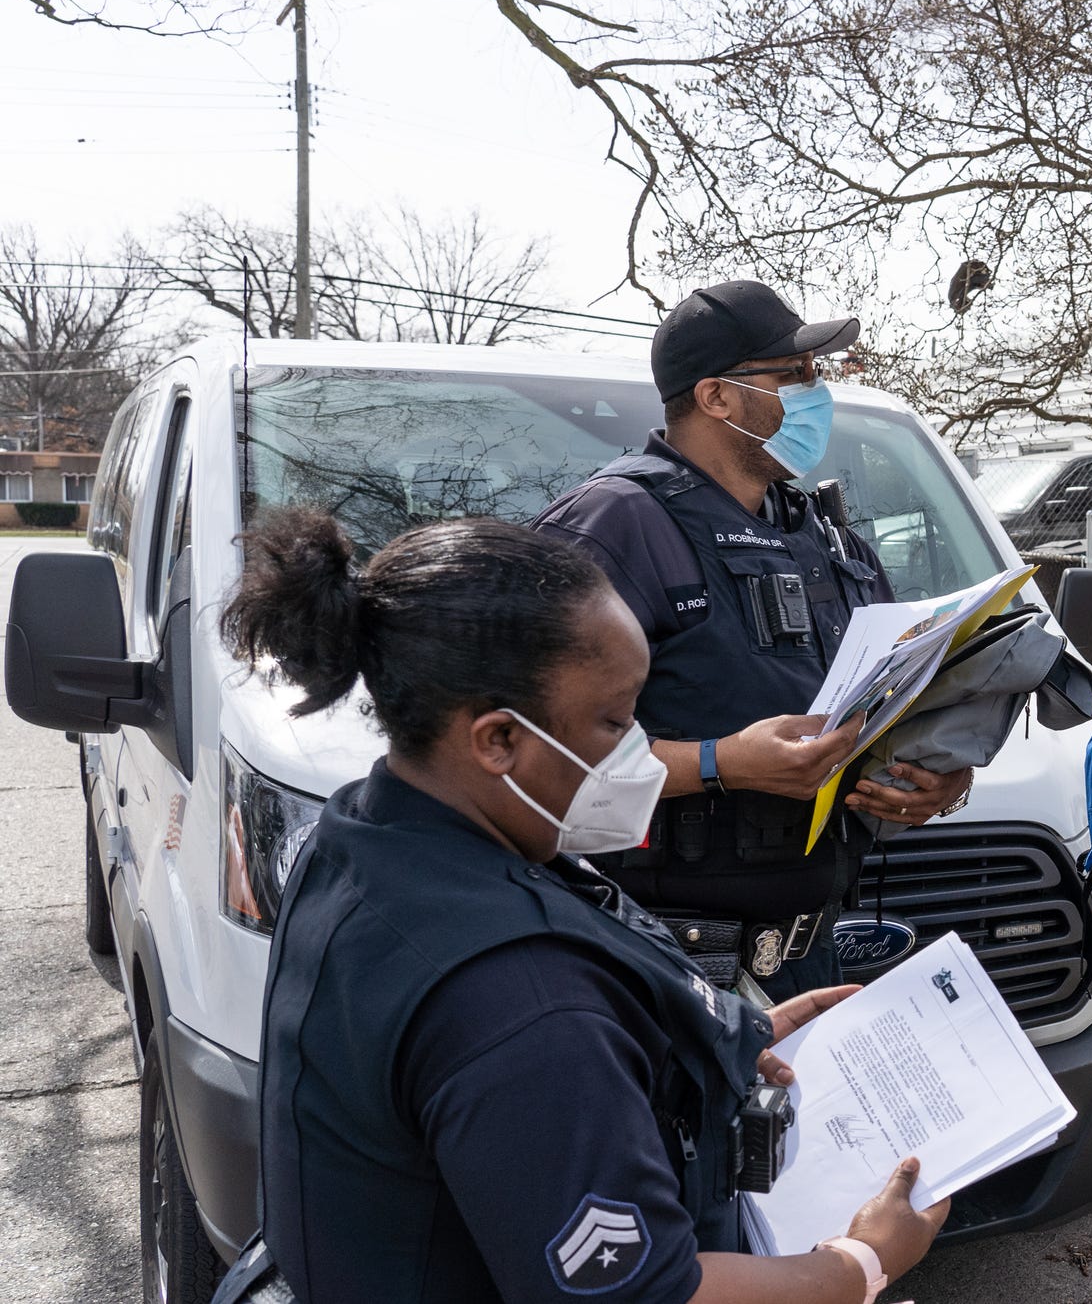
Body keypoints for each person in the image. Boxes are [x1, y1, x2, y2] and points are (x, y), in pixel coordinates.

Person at [217, 510, 946, 1303]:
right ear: (497, 739)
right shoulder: (517, 1004)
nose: (638, 746)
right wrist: (859, 1264)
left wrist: (719, 1045)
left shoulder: (369, 831)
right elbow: (643, 1295)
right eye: (613, 719)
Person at [534, 281, 972, 1001]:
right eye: (793, 374)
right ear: (716, 398)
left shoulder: (826, 537)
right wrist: (721, 764)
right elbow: (535, 759)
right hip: (659, 970)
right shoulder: (613, 525)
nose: (816, 390)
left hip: (810, 958)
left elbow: (883, 709)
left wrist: (934, 784)